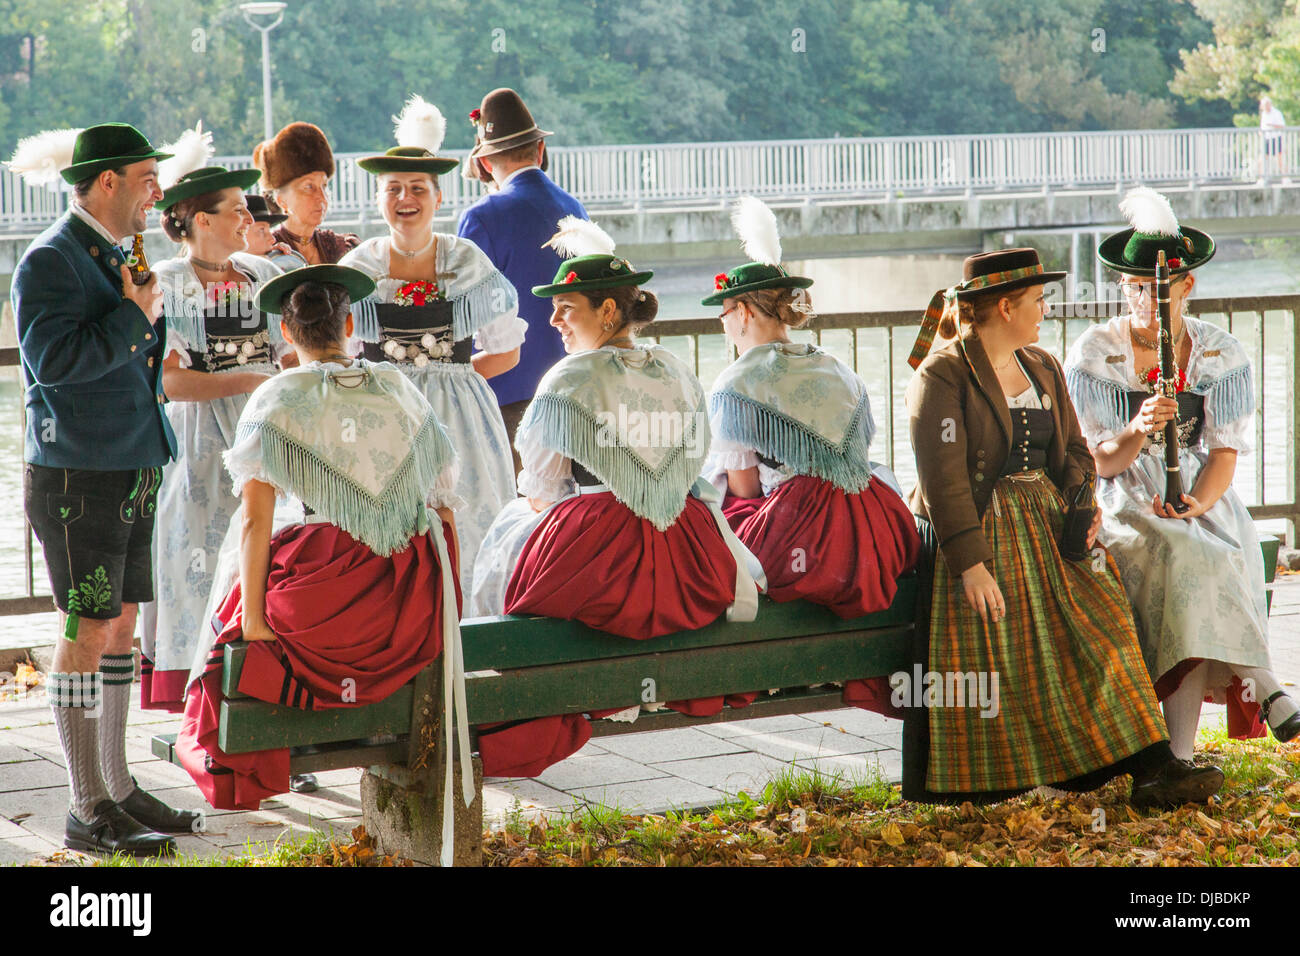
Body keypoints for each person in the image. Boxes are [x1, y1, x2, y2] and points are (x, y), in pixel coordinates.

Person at [904, 246, 1223, 807]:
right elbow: (943, 481)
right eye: (1036, 300)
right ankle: (1109, 770)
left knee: (1105, 628)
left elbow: (1074, 451)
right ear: (1005, 307)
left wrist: (1083, 506)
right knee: (1017, 650)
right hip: (982, 532)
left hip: (1055, 527)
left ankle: (1152, 764)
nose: (1044, 310)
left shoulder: (1043, 365)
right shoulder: (942, 375)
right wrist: (972, 566)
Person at [176, 265, 472, 862]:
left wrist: (255, 621)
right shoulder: (400, 388)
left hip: (327, 603)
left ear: (287, 331)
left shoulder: (279, 395)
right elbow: (443, 503)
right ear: (350, 324)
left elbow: (257, 522)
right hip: (404, 602)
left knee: (234, 614)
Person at [468, 219, 764, 777]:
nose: (553, 318)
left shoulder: (569, 378)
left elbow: (544, 488)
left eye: (566, 306)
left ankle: (506, 704)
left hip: (597, 546)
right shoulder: (676, 370)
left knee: (506, 538)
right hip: (682, 537)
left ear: (607, 312)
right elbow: (692, 461)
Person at [8, 122, 193, 856]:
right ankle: (86, 806)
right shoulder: (49, 259)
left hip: (127, 460)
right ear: (108, 180)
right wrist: (135, 316)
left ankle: (116, 786)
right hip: (78, 472)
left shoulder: (114, 249)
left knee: (120, 625)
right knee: (85, 630)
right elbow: (53, 364)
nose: (158, 192)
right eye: (148, 178)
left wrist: (141, 317)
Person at [1065, 187, 1300, 761]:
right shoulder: (1095, 351)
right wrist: (1142, 425)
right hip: (1124, 496)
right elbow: (1099, 460)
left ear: (1186, 286)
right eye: (1135, 288)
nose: (1146, 298)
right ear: (1122, 288)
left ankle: (1181, 756)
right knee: (1197, 559)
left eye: (1159, 287)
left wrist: (1197, 501)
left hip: (1199, 492)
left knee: (1211, 549)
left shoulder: (1219, 351)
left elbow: (1224, 454)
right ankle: (1267, 686)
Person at [703, 197, 922, 714]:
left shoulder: (736, 383)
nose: (723, 324)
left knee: (713, 538)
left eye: (726, 313)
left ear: (747, 312)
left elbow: (744, 491)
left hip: (797, 535)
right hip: (870, 525)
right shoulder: (838, 367)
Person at [341, 96, 522, 593]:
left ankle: (472, 644)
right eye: (394, 188)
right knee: (387, 537)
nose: (406, 197)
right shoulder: (357, 268)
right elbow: (336, 352)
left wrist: (450, 380)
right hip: (382, 420)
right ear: (379, 199)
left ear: (438, 199)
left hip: (460, 422)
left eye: (418, 188)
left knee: (469, 528)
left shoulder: (467, 260)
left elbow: (507, 350)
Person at [137, 160, 285, 714]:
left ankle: (267, 699)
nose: (250, 214)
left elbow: (288, 352)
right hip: (200, 443)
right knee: (197, 561)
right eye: (237, 208)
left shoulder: (261, 276)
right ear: (201, 218)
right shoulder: (169, 284)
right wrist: (253, 379)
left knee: (268, 557)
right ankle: (206, 703)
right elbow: (171, 380)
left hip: (266, 435)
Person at [456, 88, 589, 470]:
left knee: (517, 513)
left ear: (484, 163)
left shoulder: (483, 215)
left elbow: (463, 308)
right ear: (540, 152)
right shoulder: (574, 208)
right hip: (573, 390)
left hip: (508, 392)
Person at [253, 121, 358, 266]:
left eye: (324, 186)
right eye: (309, 187)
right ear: (281, 200)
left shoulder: (342, 248)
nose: (322, 198)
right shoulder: (267, 252)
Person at [1260, 96, 1286, 179]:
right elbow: (1263, 126)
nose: (1265, 107)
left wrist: (1271, 125)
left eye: (1267, 105)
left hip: (1276, 137)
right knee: (1262, 159)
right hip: (1267, 138)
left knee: (1280, 158)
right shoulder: (1264, 113)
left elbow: (1282, 126)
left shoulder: (1276, 113)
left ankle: (1285, 177)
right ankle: (1262, 177)